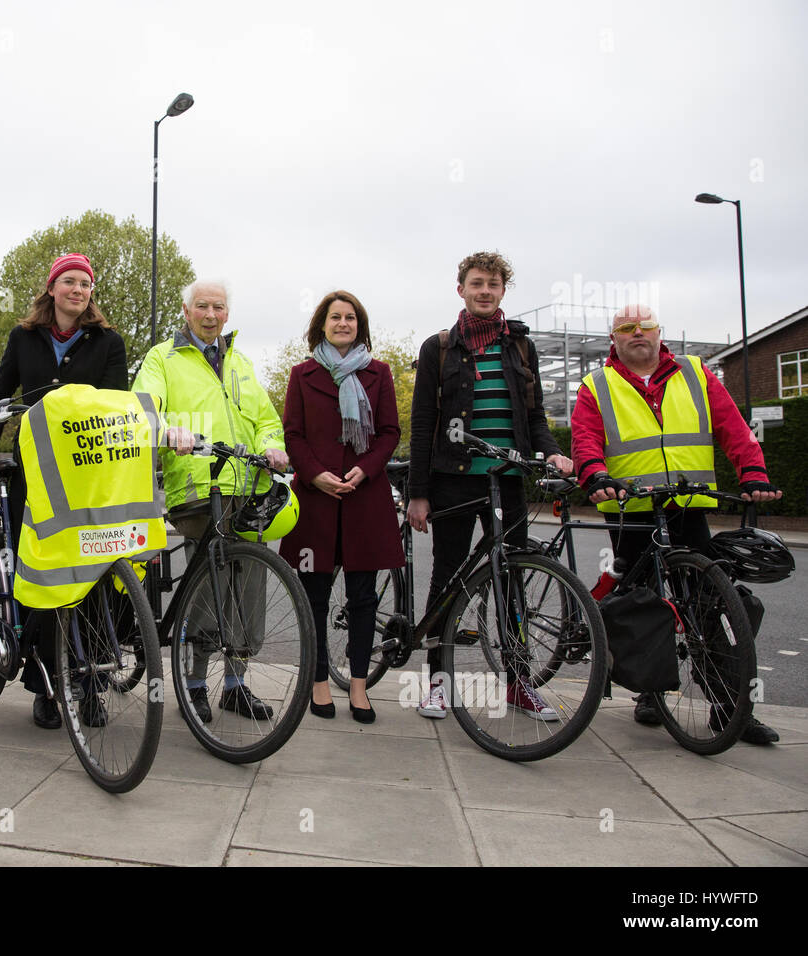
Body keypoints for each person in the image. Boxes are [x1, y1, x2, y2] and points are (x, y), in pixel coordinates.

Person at [571, 304, 783, 744]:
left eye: (644, 326)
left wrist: (753, 473)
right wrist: (593, 473)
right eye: (626, 329)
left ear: (658, 331)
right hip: (632, 510)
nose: (637, 334)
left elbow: (733, 428)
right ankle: (650, 692)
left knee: (710, 606)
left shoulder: (696, 372)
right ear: (614, 339)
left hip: (687, 506)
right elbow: (585, 438)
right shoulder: (597, 385)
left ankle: (731, 709)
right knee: (642, 607)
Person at [407, 251, 574, 719]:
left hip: (510, 480)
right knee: (448, 577)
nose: (485, 290)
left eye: (494, 284)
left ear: (503, 291)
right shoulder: (439, 347)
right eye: (477, 282)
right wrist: (418, 493)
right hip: (454, 481)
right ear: (461, 288)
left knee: (512, 583)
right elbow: (424, 425)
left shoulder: (520, 346)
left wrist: (552, 451)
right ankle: (438, 683)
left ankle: (519, 684)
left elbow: (535, 414)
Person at [0, 253, 128, 729]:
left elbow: (115, 404)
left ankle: (90, 683)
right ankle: (46, 686)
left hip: (85, 471)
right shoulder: (24, 338)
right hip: (33, 470)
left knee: (91, 575)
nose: (78, 290)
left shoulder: (108, 342)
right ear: (52, 289)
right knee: (38, 574)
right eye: (69, 282)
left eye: (85, 283)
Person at [133, 278, 289, 723]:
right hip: (197, 489)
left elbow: (266, 420)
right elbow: (144, 406)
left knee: (250, 578)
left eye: (218, 307)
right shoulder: (163, 358)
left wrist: (273, 445)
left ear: (227, 314)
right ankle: (196, 684)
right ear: (186, 311)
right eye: (201, 306)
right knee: (212, 576)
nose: (210, 314)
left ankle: (237, 685)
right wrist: (167, 430)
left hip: (247, 487)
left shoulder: (240, 362)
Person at [280, 291, 402, 724]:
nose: (343, 323)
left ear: (359, 326)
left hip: (364, 499)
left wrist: (365, 470)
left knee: (363, 597)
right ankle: (316, 682)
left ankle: (358, 684)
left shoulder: (379, 373)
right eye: (336, 317)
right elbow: (292, 434)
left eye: (351, 318)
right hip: (316, 499)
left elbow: (389, 432)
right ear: (322, 325)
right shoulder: (302, 374)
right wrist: (313, 474)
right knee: (313, 596)